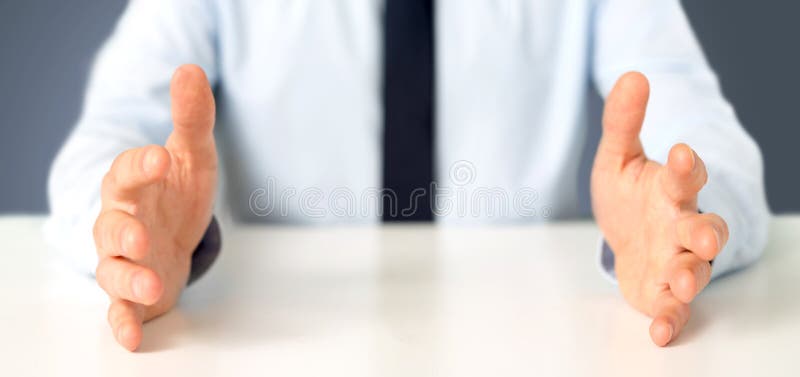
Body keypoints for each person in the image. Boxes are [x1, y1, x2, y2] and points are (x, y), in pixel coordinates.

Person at [46, 0, 769, 351]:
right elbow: (104, 137)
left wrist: (684, 219)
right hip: (275, 342)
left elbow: (700, 126)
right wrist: (129, 231)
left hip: (538, 346)